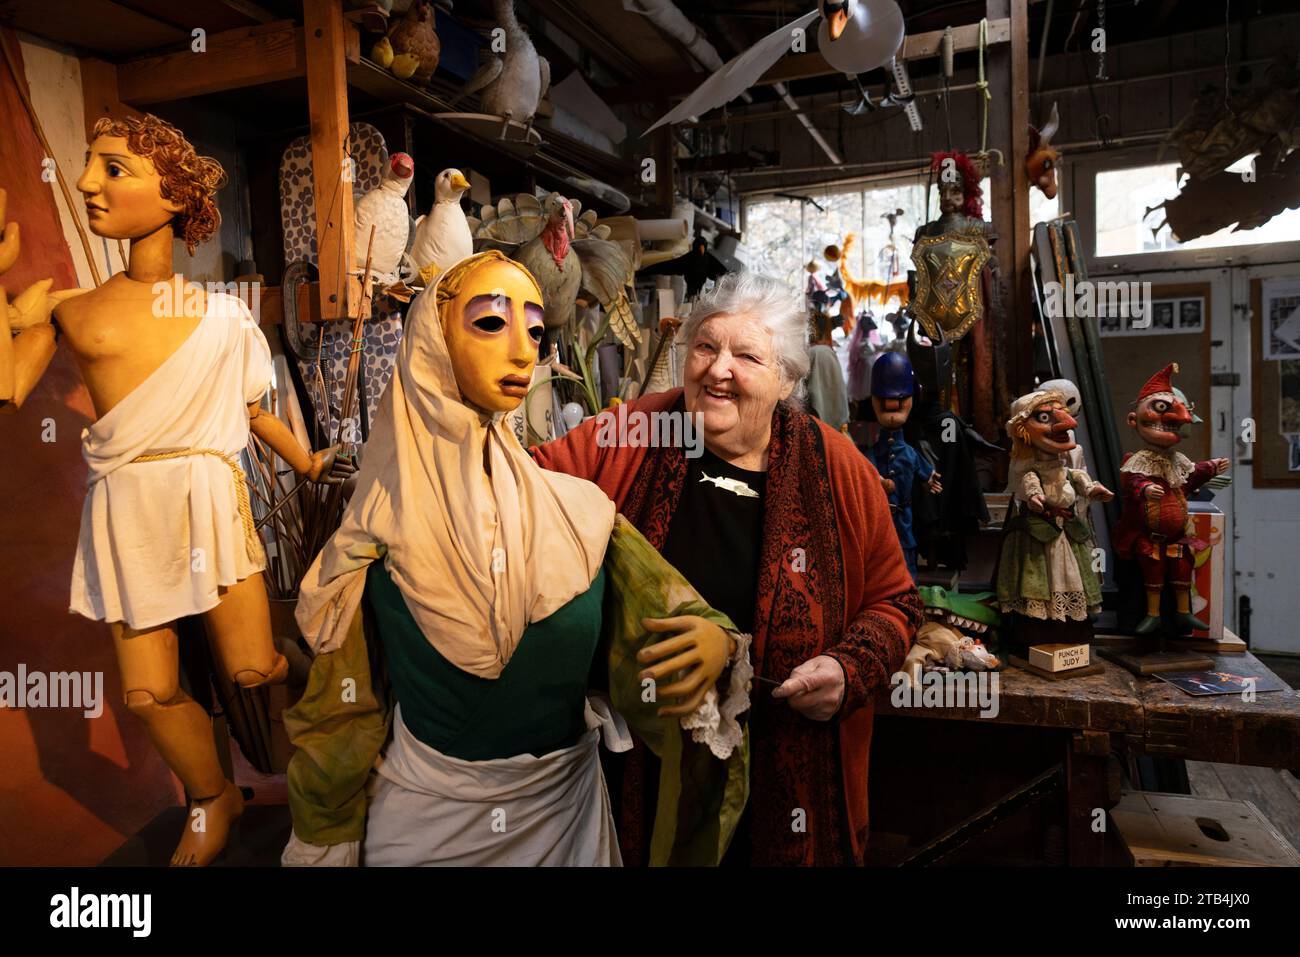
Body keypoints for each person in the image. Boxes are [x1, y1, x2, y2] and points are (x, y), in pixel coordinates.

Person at [281, 252, 750, 867]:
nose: (524, 351)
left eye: (534, 330)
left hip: (565, 824)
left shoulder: (581, 516)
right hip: (426, 829)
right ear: (432, 340)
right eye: (490, 324)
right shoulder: (374, 537)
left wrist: (718, 644)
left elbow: (673, 612)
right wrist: (323, 837)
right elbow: (343, 714)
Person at [3, 113, 346, 865]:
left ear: (171, 196)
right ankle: (209, 793)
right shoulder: (68, 307)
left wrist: (311, 462)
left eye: (113, 169)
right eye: (89, 166)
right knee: (146, 694)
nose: (89, 182)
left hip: (207, 499)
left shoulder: (220, 313)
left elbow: (254, 410)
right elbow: (6, 385)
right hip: (126, 509)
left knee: (255, 669)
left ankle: (334, 721)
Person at [533, 271, 924, 866]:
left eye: (747, 355)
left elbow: (896, 604)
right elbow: (522, 488)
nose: (719, 369)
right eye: (707, 346)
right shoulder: (632, 432)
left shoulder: (839, 467)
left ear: (788, 380)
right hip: (641, 780)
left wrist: (848, 670)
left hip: (790, 779)